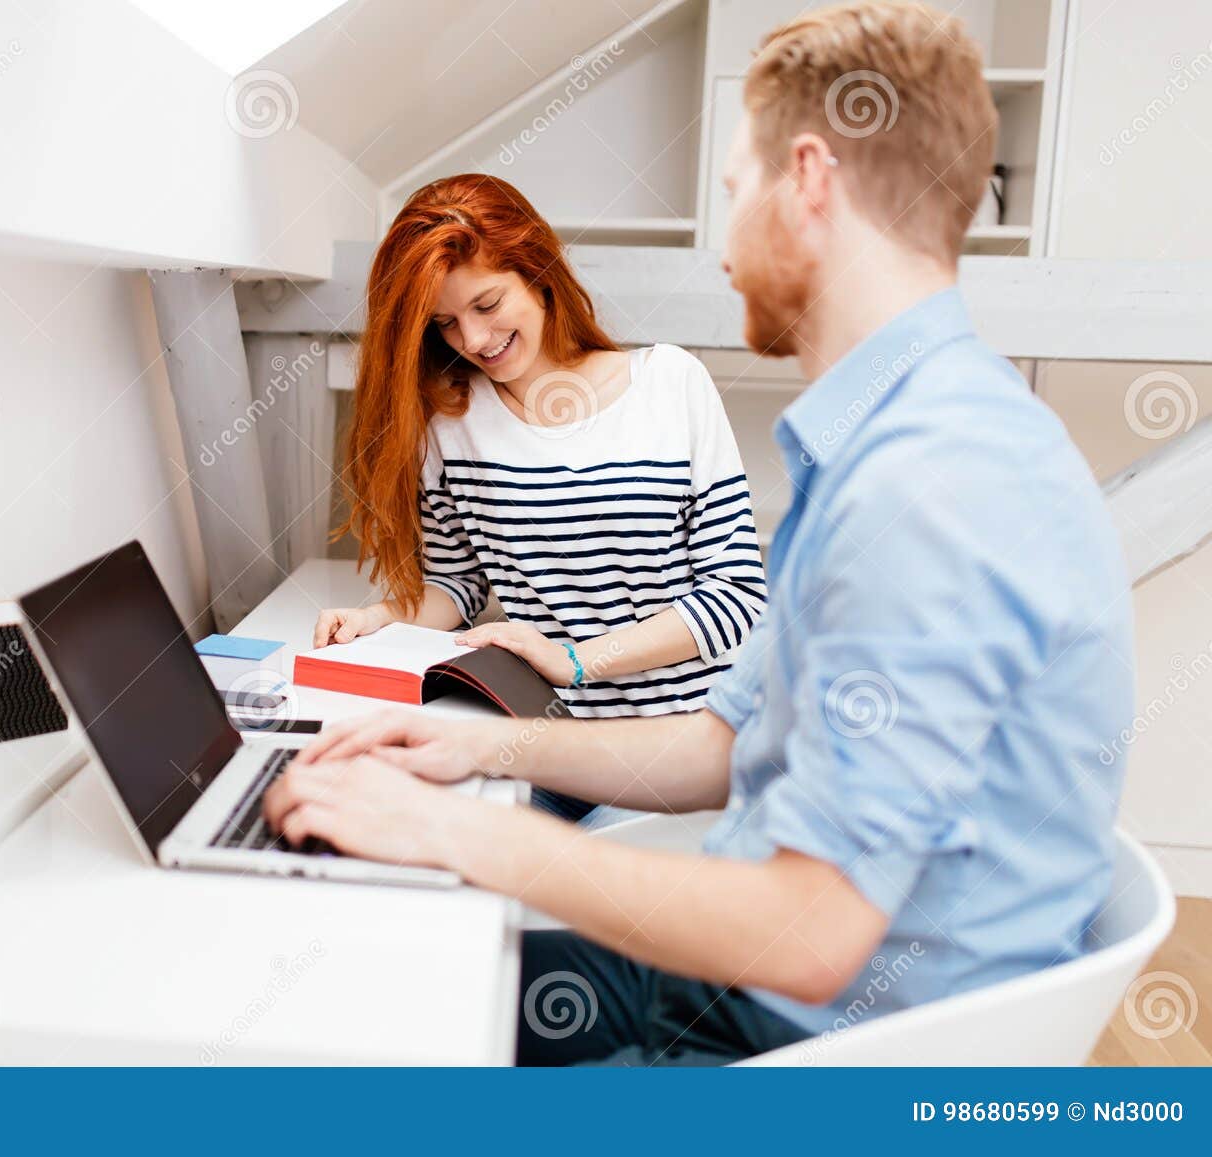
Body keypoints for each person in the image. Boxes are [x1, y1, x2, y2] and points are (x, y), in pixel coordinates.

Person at [266, 0, 1133, 1065]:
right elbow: (726, 744)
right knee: (374, 983)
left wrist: (454, 831)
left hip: (819, 1043)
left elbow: (811, 933)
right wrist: (481, 742)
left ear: (806, 179)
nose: (721, 248)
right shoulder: (886, 443)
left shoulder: (929, 486)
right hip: (755, 983)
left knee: (352, 1050)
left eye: (733, 194)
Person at [315, 175, 766, 820]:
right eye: (445, 324)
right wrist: (387, 616)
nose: (472, 340)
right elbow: (459, 585)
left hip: (683, 748)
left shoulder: (670, 383)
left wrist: (576, 661)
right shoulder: (451, 424)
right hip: (548, 742)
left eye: (488, 304)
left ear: (537, 272)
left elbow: (737, 599)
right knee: (399, 832)